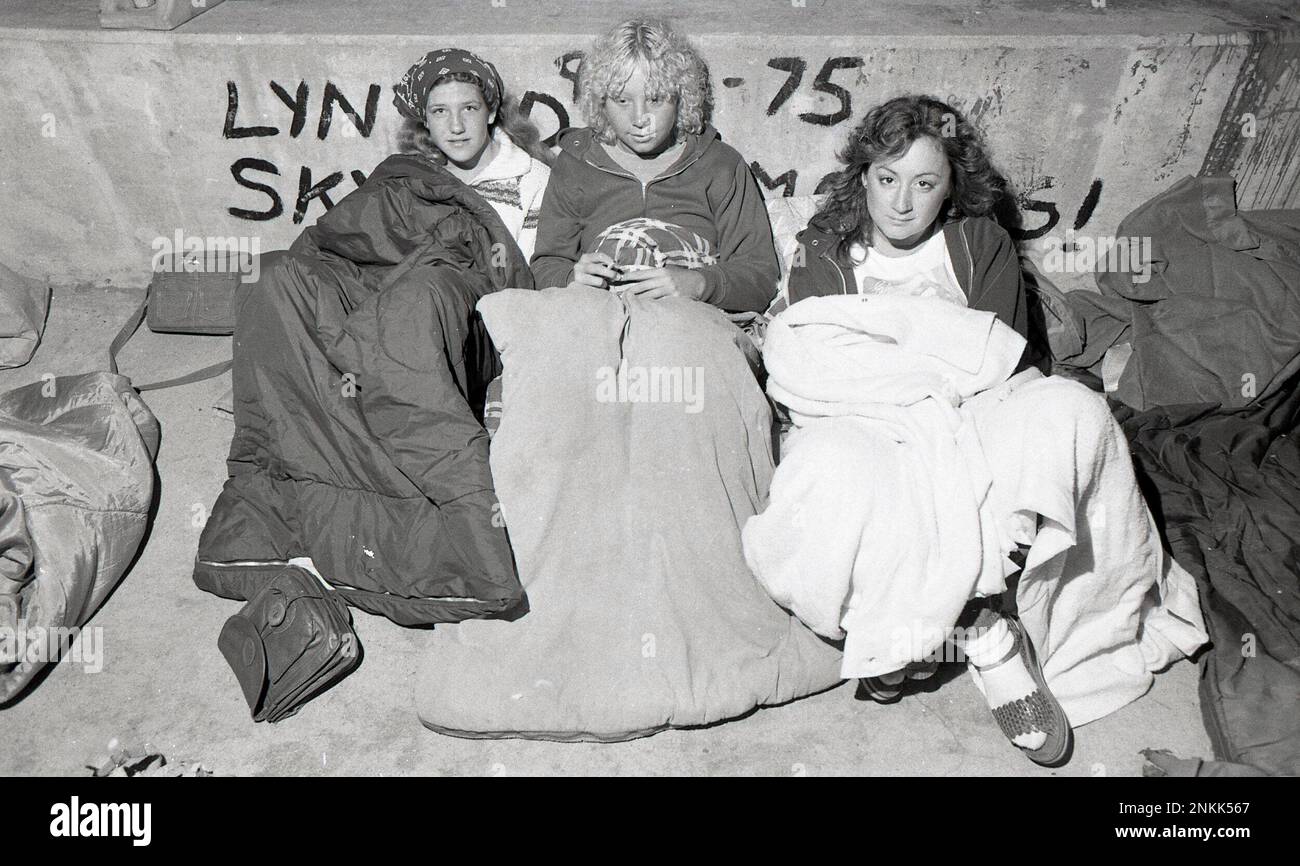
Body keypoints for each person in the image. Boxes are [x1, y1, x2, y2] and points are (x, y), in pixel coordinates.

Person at [744, 96, 1207, 766]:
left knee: (1072, 414)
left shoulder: (980, 241)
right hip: (862, 413)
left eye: (924, 184)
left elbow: (1000, 358)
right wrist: (921, 371)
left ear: (950, 186)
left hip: (969, 410)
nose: (901, 203)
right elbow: (813, 358)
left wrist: (930, 372)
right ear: (863, 174)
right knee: (838, 469)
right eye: (886, 179)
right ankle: (977, 628)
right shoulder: (823, 244)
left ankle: (949, 623)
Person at [529, 18, 779, 312]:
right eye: (622, 100)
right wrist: (571, 277)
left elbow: (760, 276)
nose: (640, 118)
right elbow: (545, 267)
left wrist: (699, 284)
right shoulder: (574, 165)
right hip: (599, 316)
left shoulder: (722, 165)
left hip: (691, 321)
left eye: (656, 99)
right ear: (600, 102)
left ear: (681, 98)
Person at [393, 48, 552, 260]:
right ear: (425, 120)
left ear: (491, 112)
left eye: (469, 108)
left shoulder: (534, 180)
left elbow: (535, 271)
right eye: (440, 111)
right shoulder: (413, 182)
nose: (456, 127)